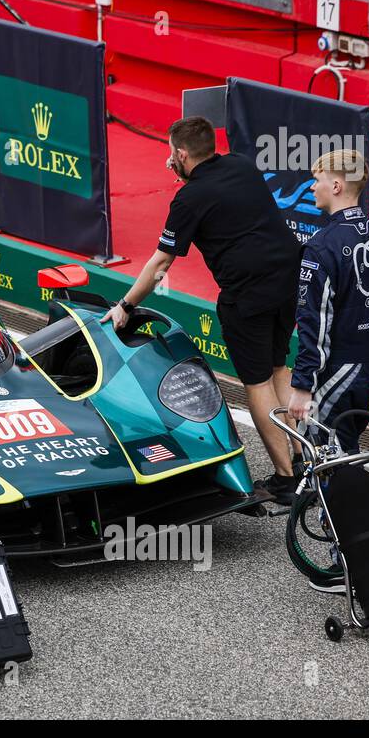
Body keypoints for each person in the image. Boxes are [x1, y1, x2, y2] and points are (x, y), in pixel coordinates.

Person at [101, 116, 303, 502]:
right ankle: (303, 462)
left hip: (248, 294)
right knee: (280, 367)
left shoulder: (189, 198)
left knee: (258, 382)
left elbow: (160, 264)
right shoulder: (241, 164)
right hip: (289, 279)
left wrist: (126, 304)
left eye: (170, 154)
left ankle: (285, 479)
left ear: (179, 154)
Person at [288, 149, 369, 453]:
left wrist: (303, 385)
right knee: (346, 443)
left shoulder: (320, 247)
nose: (312, 187)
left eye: (317, 180)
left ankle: (343, 502)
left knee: (328, 453)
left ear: (337, 186)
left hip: (337, 370)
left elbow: (314, 322)